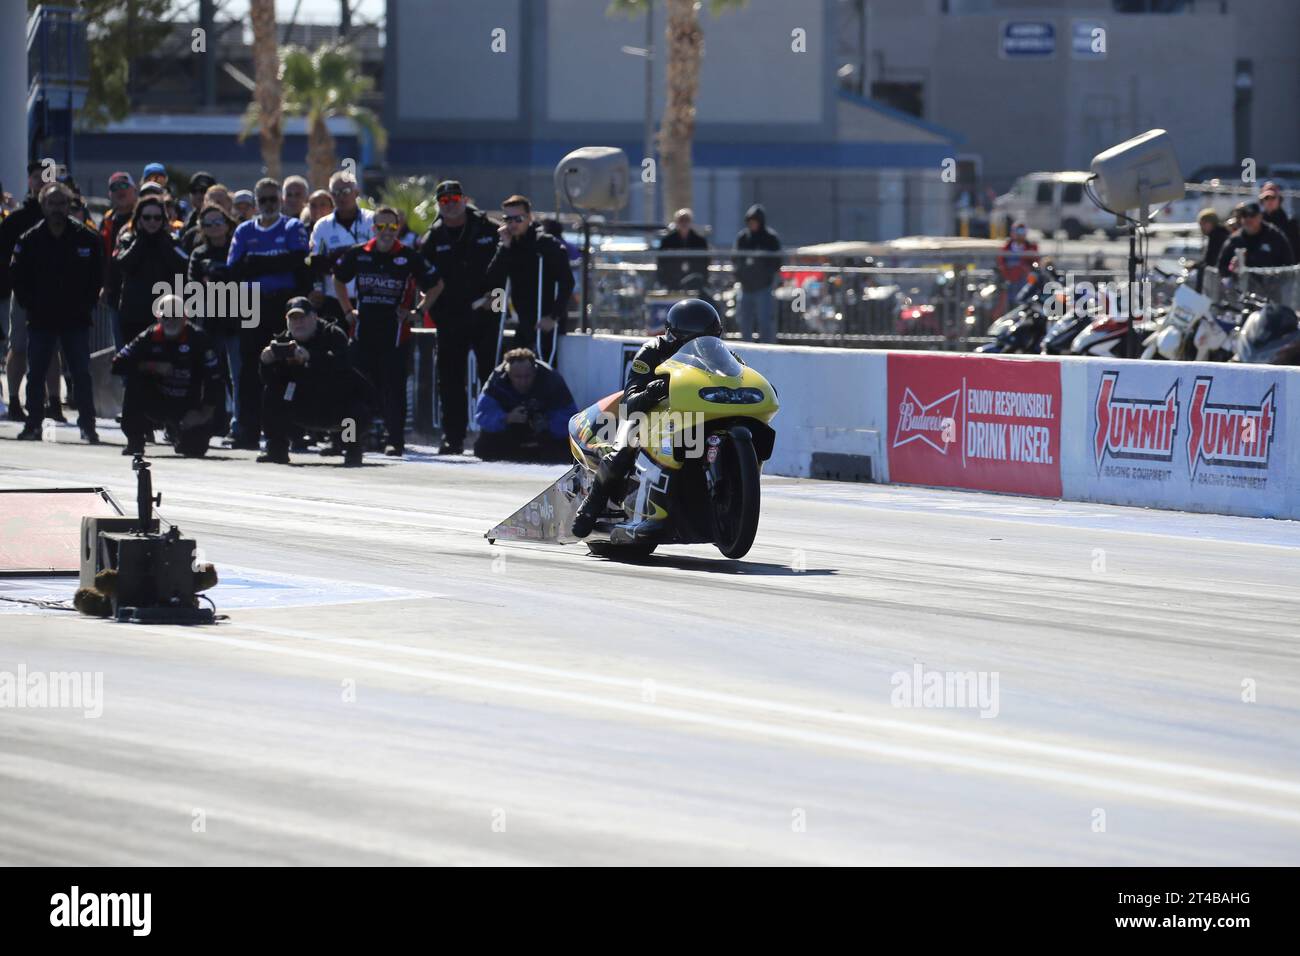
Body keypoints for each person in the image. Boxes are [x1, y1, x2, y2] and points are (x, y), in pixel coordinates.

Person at [571, 298, 724, 539]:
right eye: (692, 341)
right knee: (624, 447)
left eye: (707, 340)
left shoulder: (719, 354)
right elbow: (629, 403)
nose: (701, 347)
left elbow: (737, 374)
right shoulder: (652, 352)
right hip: (648, 416)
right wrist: (652, 392)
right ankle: (590, 507)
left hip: (693, 416)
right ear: (674, 337)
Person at [332, 205, 443, 457]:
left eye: (391, 227)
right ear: (374, 229)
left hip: (395, 336)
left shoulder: (409, 256)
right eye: (381, 227)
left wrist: (418, 311)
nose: (386, 232)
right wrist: (348, 311)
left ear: (398, 228)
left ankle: (395, 441)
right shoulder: (359, 253)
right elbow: (337, 278)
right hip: (362, 333)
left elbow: (436, 284)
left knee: (394, 390)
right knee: (356, 389)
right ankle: (350, 440)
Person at [11, 183, 103, 443]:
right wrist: (31, 304)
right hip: (41, 318)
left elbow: (97, 276)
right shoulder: (29, 240)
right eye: (52, 203)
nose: (57, 209)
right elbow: (17, 277)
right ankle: (34, 425)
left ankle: (88, 426)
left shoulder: (87, 238)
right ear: (43, 206)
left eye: (62, 204)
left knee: (81, 374)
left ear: (69, 206)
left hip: (75, 319)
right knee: (36, 373)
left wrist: (86, 304)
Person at [227, 177, 312, 449]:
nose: (267, 205)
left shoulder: (292, 226)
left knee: (287, 366)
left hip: (282, 306)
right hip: (251, 305)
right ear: (255, 202)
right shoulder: (243, 231)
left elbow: (296, 261)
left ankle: (293, 432)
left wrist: (256, 263)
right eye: (262, 200)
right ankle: (248, 431)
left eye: (272, 199)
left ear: (281, 201)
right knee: (249, 370)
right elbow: (235, 269)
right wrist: (273, 264)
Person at [417, 179, 500, 455]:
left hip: (485, 315)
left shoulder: (488, 228)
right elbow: (423, 277)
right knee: (450, 378)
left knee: (491, 374)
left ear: (464, 200)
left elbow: (506, 267)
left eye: (455, 200)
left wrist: (495, 298)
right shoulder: (433, 237)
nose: (450, 205)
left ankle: (492, 434)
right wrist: (431, 308)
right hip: (451, 317)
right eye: (444, 201)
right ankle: (453, 437)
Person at [257, 296, 369, 467]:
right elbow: (271, 380)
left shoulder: (333, 334)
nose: (298, 323)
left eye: (302, 318)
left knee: (355, 401)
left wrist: (312, 358)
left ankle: (352, 449)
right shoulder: (283, 342)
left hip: (334, 404)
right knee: (271, 394)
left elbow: (345, 367)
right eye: (293, 319)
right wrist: (265, 363)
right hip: (302, 406)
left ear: (314, 317)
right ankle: (276, 449)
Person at [112, 294, 226, 457]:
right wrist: (150, 366)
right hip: (156, 400)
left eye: (176, 316)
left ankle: (179, 434)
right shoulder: (148, 337)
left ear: (185, 317)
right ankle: (135, 440)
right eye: (166, 316)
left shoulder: (199, 339)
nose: (170, 321)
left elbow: (215, 378)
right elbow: (117, 364)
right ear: (158, 317)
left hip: (186, 404)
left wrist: (204, 413)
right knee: (134, 382)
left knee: (195, 449)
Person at [484, 194, 575, 365]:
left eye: (518, 218)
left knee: (543, 370)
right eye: (507, 219)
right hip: (524, 322)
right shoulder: (509, 245)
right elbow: (493, 279)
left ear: (529, 218)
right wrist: (505, 247)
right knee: (514, 368)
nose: (512, 224)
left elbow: (567, 282)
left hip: (546, 322)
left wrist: (553, 316)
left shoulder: (546, 244)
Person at [0, 162, 57, 422]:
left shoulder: (65, 219)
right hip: (21, 295)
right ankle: (14, 400)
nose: (43, 182)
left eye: (48, 177)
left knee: (51, 348)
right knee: (19, 346)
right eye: (37, 177)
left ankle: (53, 402)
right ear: (29, 180)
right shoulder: (17, 220)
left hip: (54, 296)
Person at [187, 203, 240, 435]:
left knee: (237, 374)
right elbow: (193, 286)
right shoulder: (199, 253)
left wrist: (218, 280)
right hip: (209, 320)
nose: (214, 227)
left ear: (227, 224)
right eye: (208, 224)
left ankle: (241, 423)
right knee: (211, 374)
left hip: (238, 318)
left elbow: (243, 279)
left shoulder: (237, 247)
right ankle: (214, 422)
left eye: (219, 222)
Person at [473, 347, 577, 463]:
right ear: (508, 374)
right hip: (511, 434)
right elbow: (482, 415)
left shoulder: (551, 379)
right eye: (517, 377)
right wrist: (506, 418)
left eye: (527, 376)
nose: (522, 382)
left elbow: (571, 418)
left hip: (544, 436)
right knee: (482, 447)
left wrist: (547, 423)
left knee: (570, 449)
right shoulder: (497, 381)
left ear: (534, 372)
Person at [114, 195, 192, 343]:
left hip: (166, 316)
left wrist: (162, 239)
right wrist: (142, 239)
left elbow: (183, 265)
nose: (152, 222)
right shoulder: (127, 239)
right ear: (139, 218)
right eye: (147, 217)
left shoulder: (172, 241)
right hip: (134, 315)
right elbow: (123, 264)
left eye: (157, 218)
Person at [309, 171, 374, 325]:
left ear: (356, 192)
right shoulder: (322, 225)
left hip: (369, 298)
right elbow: (317, 263)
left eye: (345, 192)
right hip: (334, 300)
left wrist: (338, 257)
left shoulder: (372, 219)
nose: (341, 197)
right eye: (336, 193)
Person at [733, 204, 782, 343]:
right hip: (745, 288)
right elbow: (736, 258)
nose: (752, 224)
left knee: (765, 320)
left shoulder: (770, 238)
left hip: (763, 288)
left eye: (755, 222)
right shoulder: (743, 238)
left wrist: (766, 275)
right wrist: (740, 275)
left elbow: (776, 261)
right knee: (744, 320)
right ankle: (746, 348)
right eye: (750, 222)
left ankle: (766, 347)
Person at [1217, 201, 1296, 274]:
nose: (1248, 219)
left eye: (1252, 215)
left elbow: (1289, 267)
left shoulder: (1275, 237)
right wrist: (1231, 269)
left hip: (1271, 287)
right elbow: (1221, 268)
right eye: (1244, 215)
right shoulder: (1234, 240)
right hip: (1241, 288)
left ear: (1260, 216)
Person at [657, 208, 711, 292]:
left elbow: (705, 262)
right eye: (681, 220)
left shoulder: (700, 241)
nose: (684, 223)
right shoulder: (667, 241)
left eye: (687, 220)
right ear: (676, 222)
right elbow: (661, 261)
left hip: (694, 282)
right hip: (672, 281)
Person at [998, 221, 1038, 307]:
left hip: (1024, 281)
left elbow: (1036, 262)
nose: (1020, 234)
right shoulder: (1006, 248)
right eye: (1017, 231)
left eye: (1022, 231)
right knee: (1009, 303)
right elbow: (1001, 264)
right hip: (1010, 281)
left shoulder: (1031, 247)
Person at [1258, 182, 1300, 257]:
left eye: (1273, 197)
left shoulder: (1290, 223)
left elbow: (1295, 249)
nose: (1269, 201)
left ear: (1279, 199)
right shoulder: (1257, 222)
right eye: (1266, 198)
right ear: (1262, 201)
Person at [179, 171, 217, 251]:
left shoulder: (225, 220)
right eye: (193, 190)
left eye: (203, 190)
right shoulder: (186, 222)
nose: (198, 195)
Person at [1195, 208, 1229, 291]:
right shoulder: (1218, 234)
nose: (1201, 227)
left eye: (1203, 224)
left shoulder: (1217, 236)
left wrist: (1197, 266)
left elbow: (1210, 260)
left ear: (1211, 223)